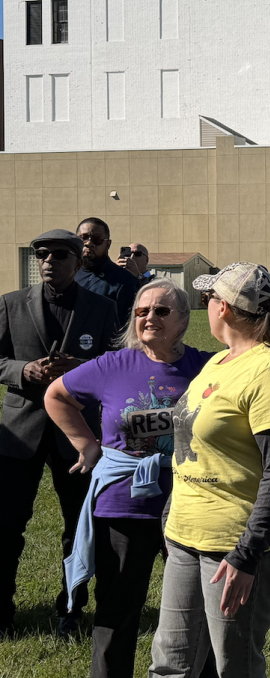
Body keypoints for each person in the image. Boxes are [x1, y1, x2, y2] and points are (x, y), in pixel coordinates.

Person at [45, 279, 212, 678]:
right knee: (117, 609)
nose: (149, 317)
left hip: (189, 505)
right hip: (124, 504)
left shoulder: (207, 367)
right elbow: (57, 395)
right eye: (141, 311)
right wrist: (84, 442)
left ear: (184, 320)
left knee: (200, 610)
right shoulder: (111, 364)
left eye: (161, 311)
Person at [148, 262, 270, 678]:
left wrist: (247, 555)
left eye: (209, 298)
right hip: (186, 535)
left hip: (236, 546)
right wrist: (171, 515)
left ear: (225, 309)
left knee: (232, 665)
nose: (207, 306)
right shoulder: (219, 362)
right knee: (170, 663)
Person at [0, 229, 120, 638]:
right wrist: (22, 371)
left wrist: (80, 368)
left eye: (59, 254)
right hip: (21, 431)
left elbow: (118, 362)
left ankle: (71, 610)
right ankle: (2, 613)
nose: (49, 260)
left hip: (77, 434)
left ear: (78, 259)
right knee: (7, 524)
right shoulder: (11, 304)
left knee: (79, 526)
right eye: (42, 254)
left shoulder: (102, 308)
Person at [75, 217, 141, 331]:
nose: (89, 243)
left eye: (97, 239)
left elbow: (127, 331)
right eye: (83, 238)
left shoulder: (126, 282)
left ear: (108, 244)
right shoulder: (67, 275)